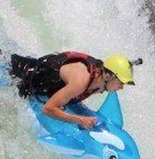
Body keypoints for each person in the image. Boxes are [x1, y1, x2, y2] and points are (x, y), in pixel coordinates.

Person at [9, 51, 140, 129]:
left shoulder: (99, 81)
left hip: (35, 78)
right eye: (121, 82)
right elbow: (48, 109)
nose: (121, 88)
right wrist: (80, 120)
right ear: (108, 75)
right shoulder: (81, 80)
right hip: (16, 76)